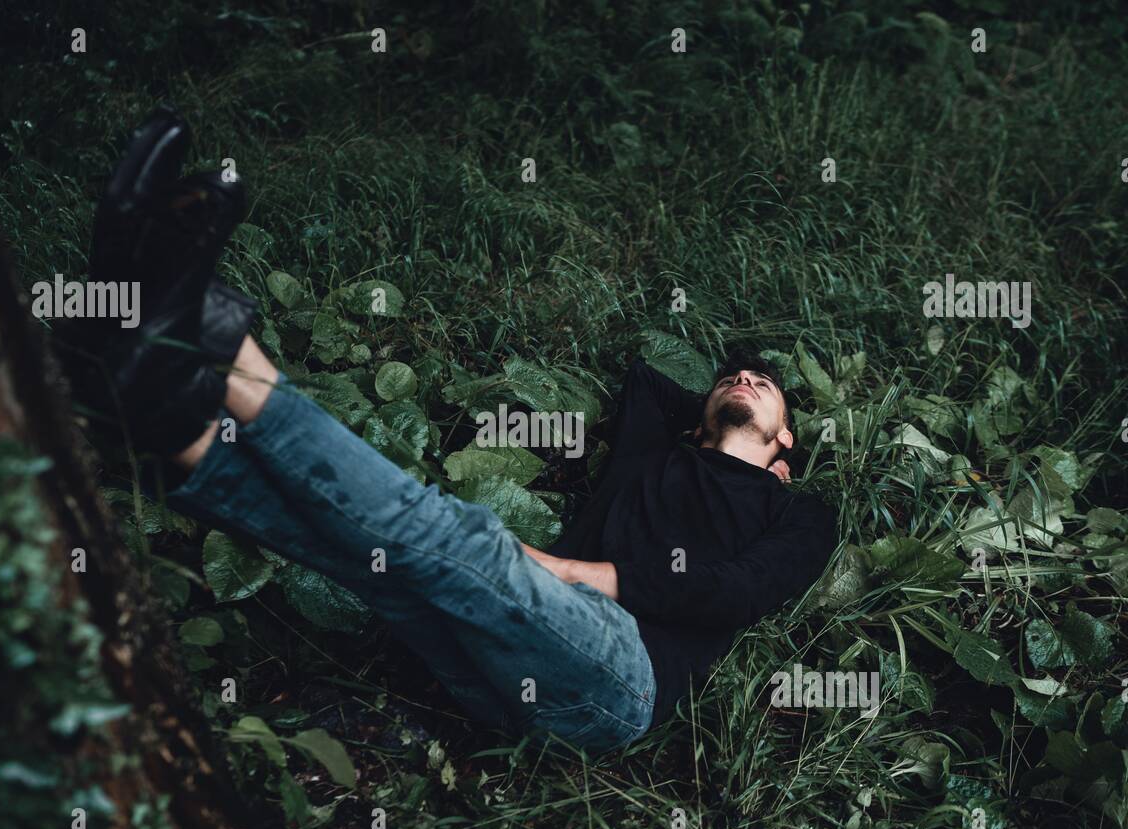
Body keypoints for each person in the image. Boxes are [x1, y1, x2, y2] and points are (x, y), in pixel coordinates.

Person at [53, 109, 838, 756]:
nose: (744, 380)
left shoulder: (795, 512)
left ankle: (209, 341)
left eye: (764, 387)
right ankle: (165, 422)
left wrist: (572, 571)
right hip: (496, 680)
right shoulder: (659, 447)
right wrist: (710, 419)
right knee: (367, 558)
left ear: (788, 447)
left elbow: (734, 592)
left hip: (617, 680)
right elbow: (644, 380)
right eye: (731, 377)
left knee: (465, 537)